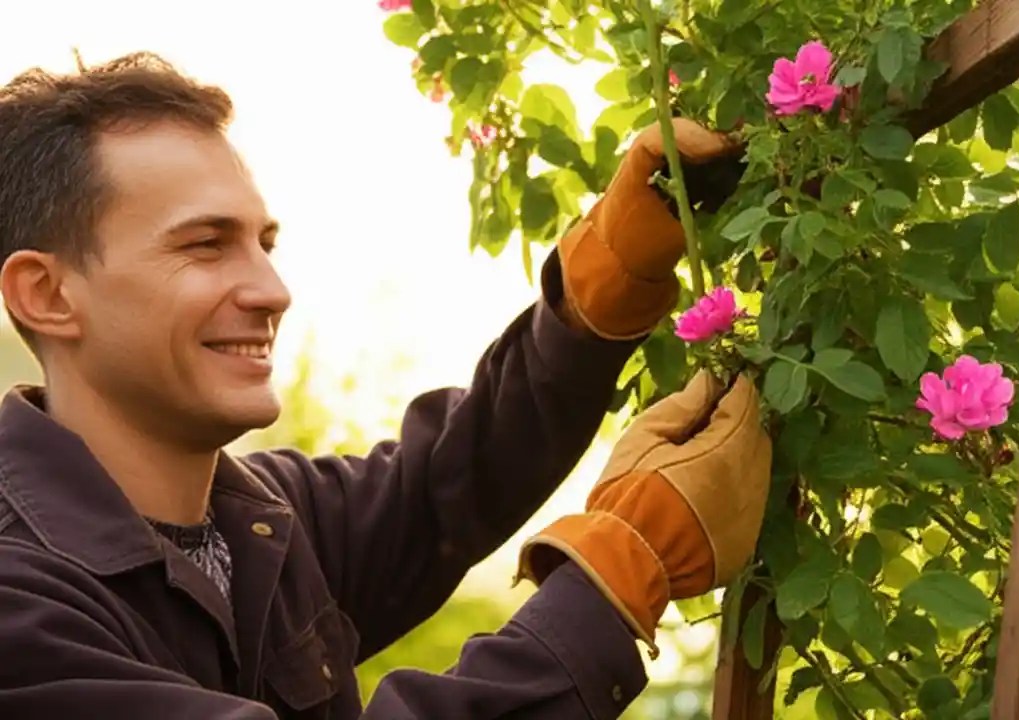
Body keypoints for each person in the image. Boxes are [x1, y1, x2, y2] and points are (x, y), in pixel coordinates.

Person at [0, 52, 772, 719]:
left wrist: (594, 298)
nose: (271, 289)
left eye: (263, 244)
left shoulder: (263, 522)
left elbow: (448, 484)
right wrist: (616, 576)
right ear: (47, 295)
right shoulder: (21, 604)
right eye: (205, 246)